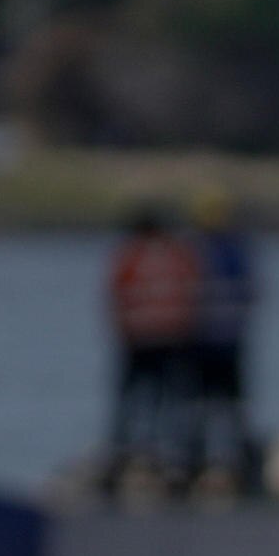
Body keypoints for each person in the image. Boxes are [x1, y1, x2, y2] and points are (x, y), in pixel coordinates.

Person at [101, 200, 202, 492]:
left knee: (130, 403)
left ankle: (122, 456)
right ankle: (169, 460)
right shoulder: (176, 254)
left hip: (137, 340)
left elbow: (115, 295)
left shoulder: (130, 255)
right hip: (171, 339)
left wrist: (123, 330)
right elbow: (190, 294)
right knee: (168, 403)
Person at [184, 184, 261, 494]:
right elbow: (252, 293)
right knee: (227, 405)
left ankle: (201, 459)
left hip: (205, 341)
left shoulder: (195, 250)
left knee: (208, 405)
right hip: (225, 340)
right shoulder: (236, 249)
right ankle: (233, 460)